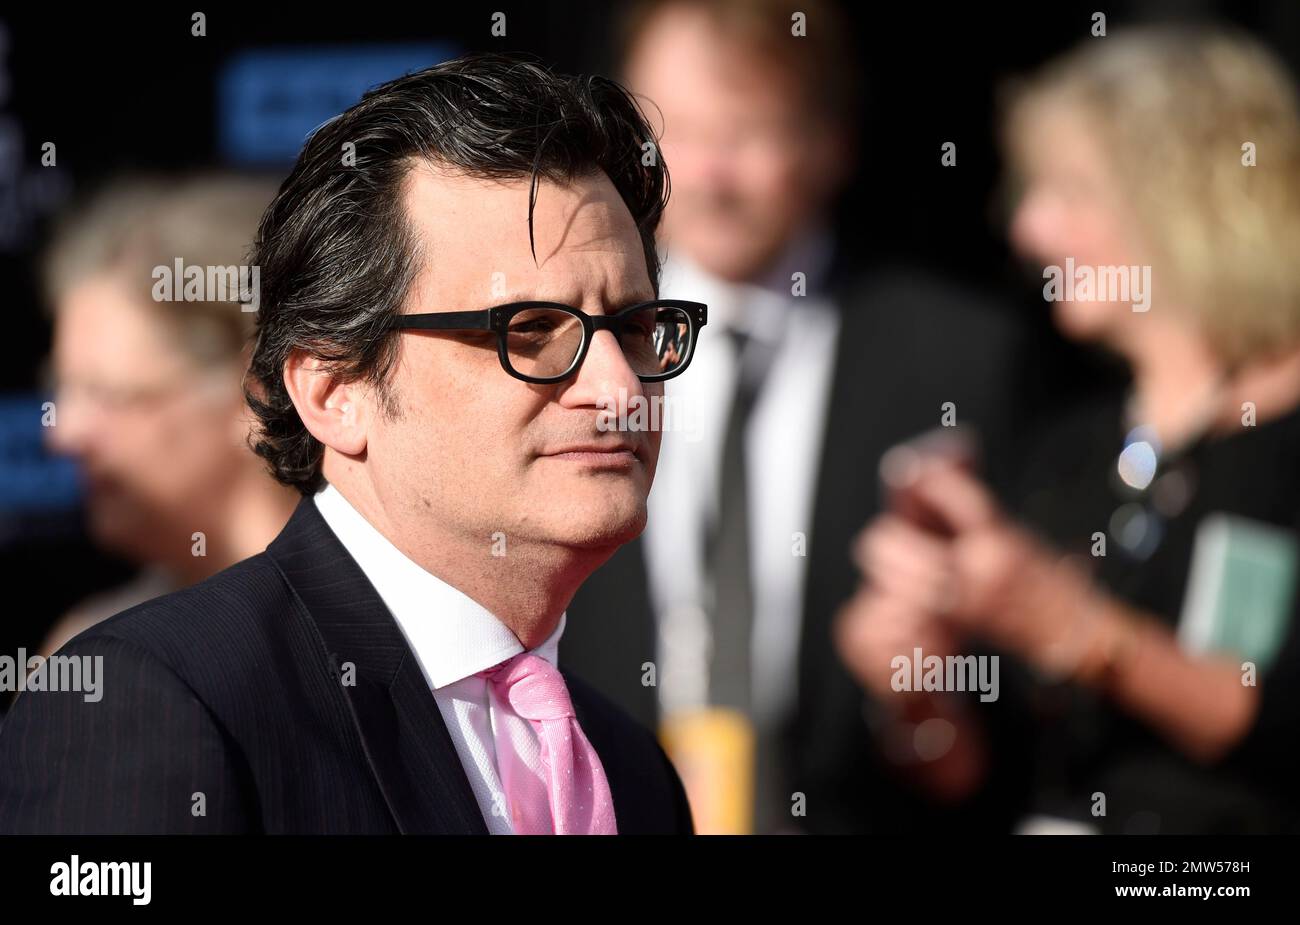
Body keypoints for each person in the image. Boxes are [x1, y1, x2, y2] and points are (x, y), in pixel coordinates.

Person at [0, 53, 699, 835]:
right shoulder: (156, 700)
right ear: (334, 391)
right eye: (529, 330)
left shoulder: (632, 772)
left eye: (635, 328)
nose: (619, 391)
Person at [562, 0, 1031, 833]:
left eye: (747, 133)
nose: (708, 174)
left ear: (831, 142)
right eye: (674, 130)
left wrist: (922, 695)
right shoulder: (557, 341)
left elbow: (1003, 731)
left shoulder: (955, 356)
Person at [835, 26, 1300, 833]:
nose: (1030, 232)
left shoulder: (1282, 441)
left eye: (1072, 192)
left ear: (1196, 197)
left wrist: (1070, 624)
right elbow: (974, 780)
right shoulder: (1069, 447)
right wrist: (916, 681)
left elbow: (1276, 724)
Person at [32, 174, 297, 661]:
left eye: (106, 394)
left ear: (254, 395)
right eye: (62, 389)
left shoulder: (397, 641)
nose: (62, 433)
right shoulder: (90, 658)